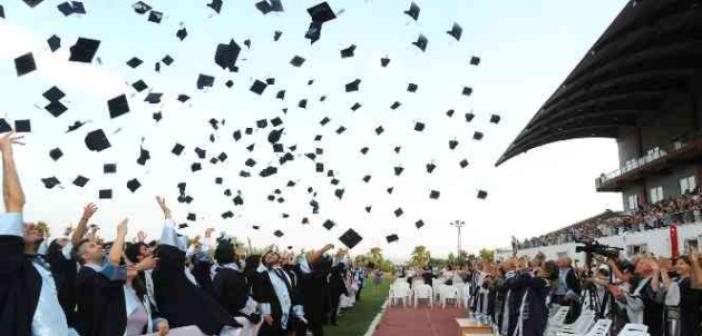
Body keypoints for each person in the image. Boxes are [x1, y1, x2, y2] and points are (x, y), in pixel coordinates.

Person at [151, 196, 241, 335]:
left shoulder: (180, 269)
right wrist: (168, 217)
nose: (182, 253)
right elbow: (169, 251)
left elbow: (199, 255)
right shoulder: (166, 272)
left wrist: (205, 238)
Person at [74, 218, 130, 336]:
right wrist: (121, 233)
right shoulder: (86, 275)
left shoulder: (98, 271)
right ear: (85, 255)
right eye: (92, 246)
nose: (100, 246)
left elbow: (123, 273)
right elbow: (113, 264)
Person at [253, 250, 306, 336]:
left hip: (288, 310)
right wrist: (266, 313)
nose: (270, 256)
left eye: (273, 254)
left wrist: (298, 310)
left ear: (279, 258)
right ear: (264, 261)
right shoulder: (263, 275)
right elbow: (261, 294)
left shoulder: (287, 273)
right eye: (267, 256)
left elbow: (293, 291)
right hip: (274, 313)